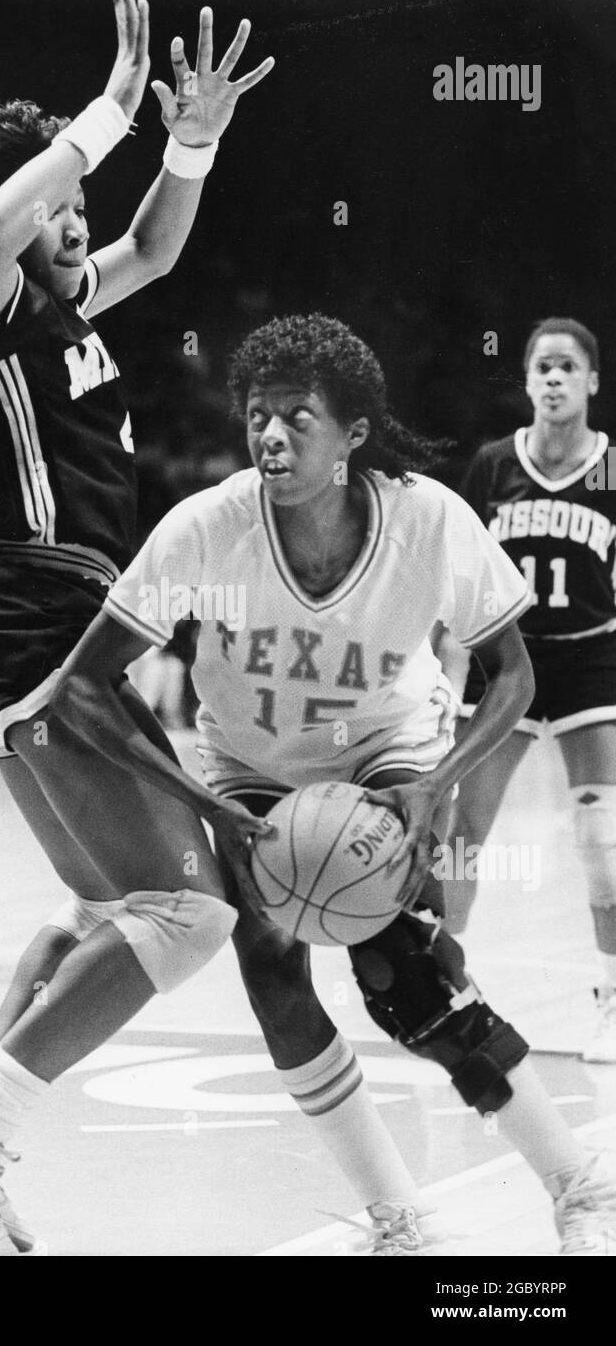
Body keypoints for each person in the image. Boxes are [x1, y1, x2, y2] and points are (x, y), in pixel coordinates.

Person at [47, 314, 616, 1256]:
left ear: (351, 434)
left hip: (384, 751)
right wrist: (198, 802)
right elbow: (83, 689)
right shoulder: (207, 526)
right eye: (256, 417)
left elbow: (510, 675)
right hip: (246, 771)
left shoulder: (429, 518)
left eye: (295, 419)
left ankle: (576, 1186)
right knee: (271, 968)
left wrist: (435, 786)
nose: (268, 437)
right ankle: (400, 1219)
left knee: (410, 979)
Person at [0, 0, 276, 1256]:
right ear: (23, 202)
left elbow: (157, 250)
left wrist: (190, 137)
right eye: (64, 199)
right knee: (190, 912)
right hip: (28, 604)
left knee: (116, 912)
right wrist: (106, 108)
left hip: (61, 619)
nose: (80, 218)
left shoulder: (61, 310)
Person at [439, 318, 616, 1063]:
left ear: (590, 382)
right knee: (459, 839)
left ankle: (611, 998)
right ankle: (443, 989)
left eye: (566, 367)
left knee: (601, 838)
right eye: (540, 367)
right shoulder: (490, 465)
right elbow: (455, 567)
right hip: (503, 663)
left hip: (587, 661)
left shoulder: (609, 468)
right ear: (524, 380)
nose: (552, 378)